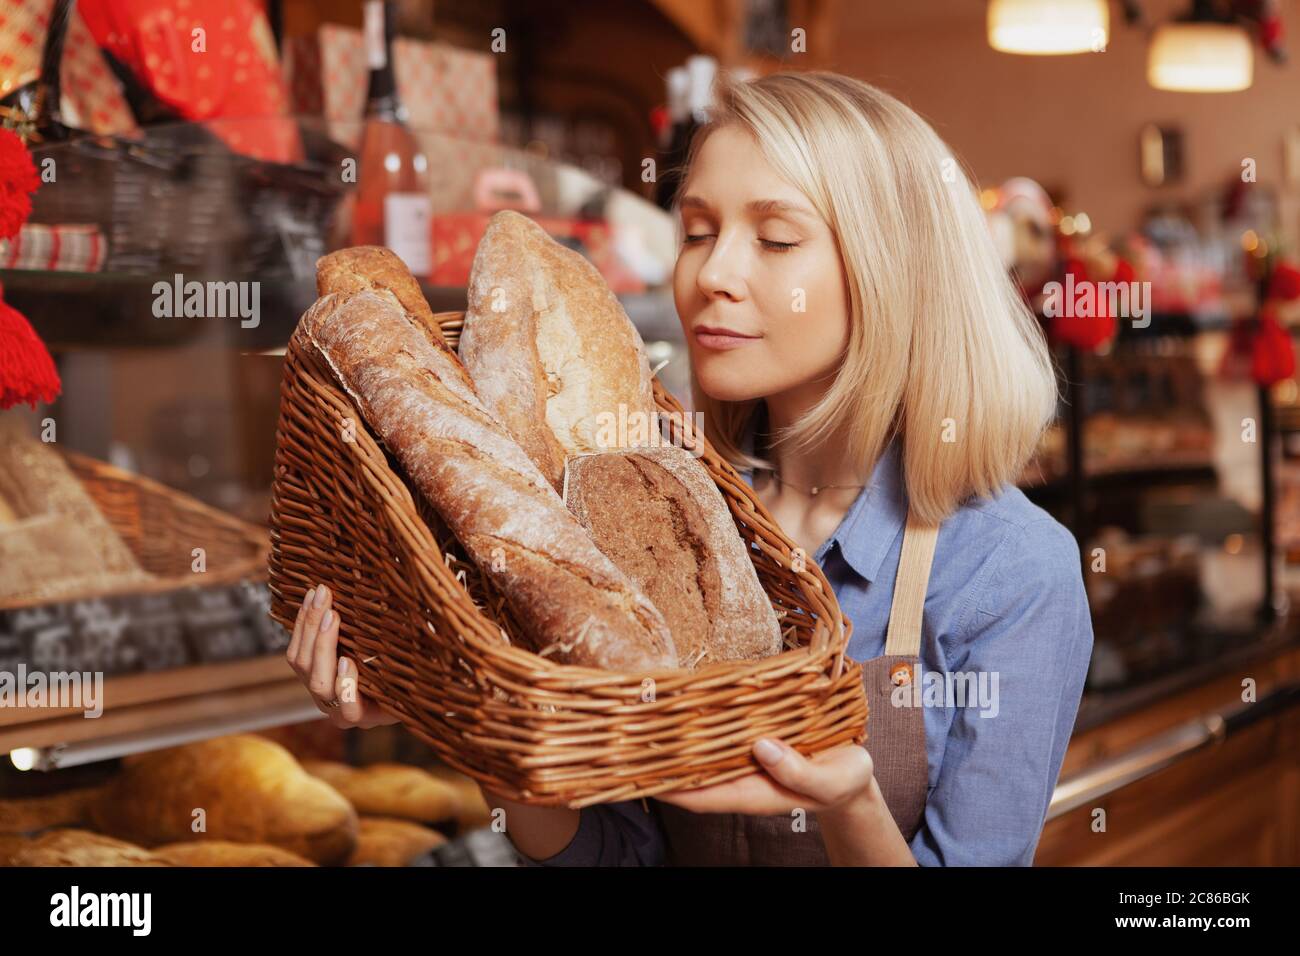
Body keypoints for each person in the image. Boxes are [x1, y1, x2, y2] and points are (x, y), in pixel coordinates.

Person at [286, 70, 1093, 866]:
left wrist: (849, 807)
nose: (711, 276)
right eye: (698, 232)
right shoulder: (666, 512)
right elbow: (619, 855)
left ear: (895, 274)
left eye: (775, 240)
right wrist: (463, 706)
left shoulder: (1010, 572)